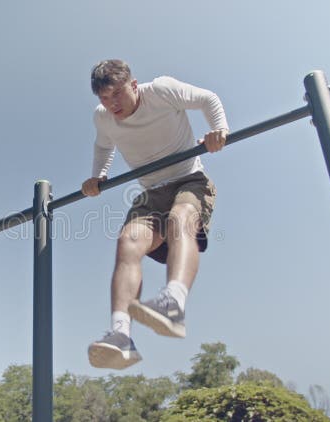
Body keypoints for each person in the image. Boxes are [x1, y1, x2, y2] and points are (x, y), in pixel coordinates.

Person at [83, 59, 229, 370]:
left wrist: (218, 130)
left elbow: (207, 99)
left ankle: (173, 303)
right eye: (104, 99)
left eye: (117, 95)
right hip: (152, 191)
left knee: (180, 220)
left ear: (134, 85)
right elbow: (103, 147)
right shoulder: (103, 117)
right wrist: (99, 175)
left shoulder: (162, 91)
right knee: (128, 242)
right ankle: (121, 335)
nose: (112, 105)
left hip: (189, 178)